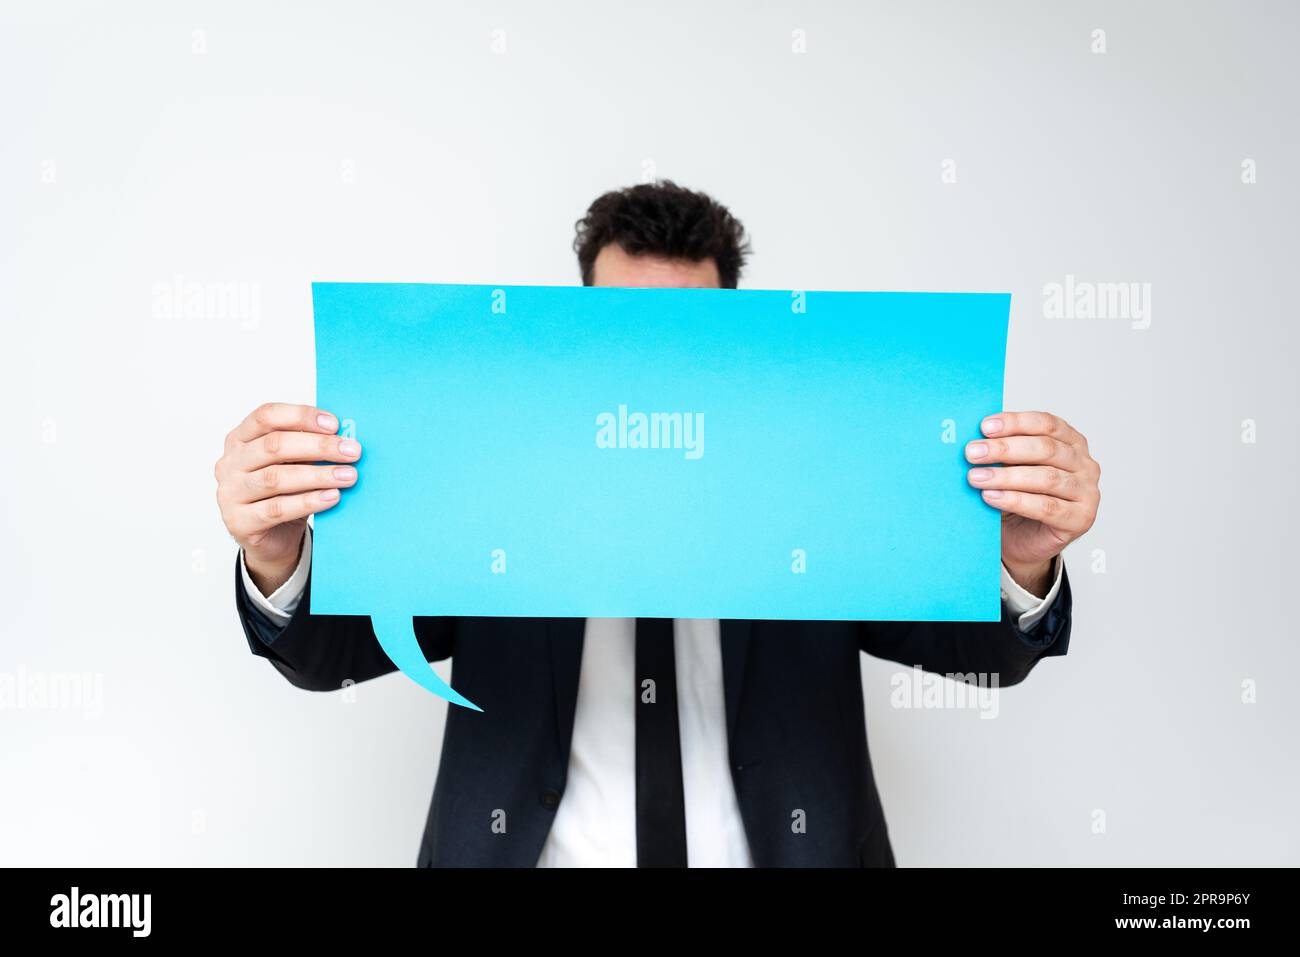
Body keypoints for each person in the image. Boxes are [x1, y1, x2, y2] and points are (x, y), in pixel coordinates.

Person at [213, 181, 1100, 867]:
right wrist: (275, 549)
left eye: (687, 335)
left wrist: (1020, 561)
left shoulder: (813, 483)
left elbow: (971, 652)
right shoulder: (496, 480)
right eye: (626, 328)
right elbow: (330, 654)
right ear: (578, 326)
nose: (655, 363)